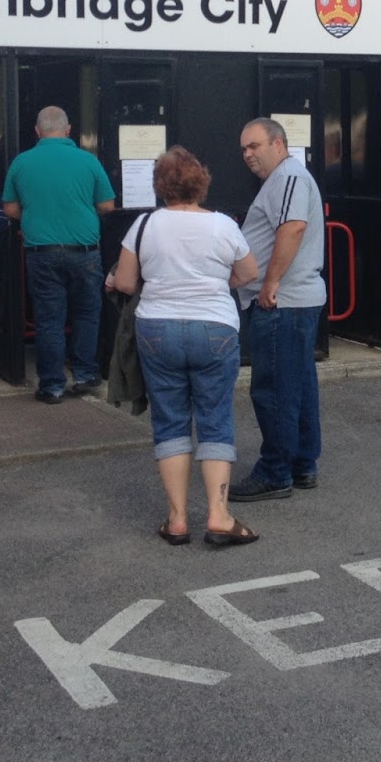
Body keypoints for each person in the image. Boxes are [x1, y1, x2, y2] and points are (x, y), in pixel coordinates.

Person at [112, 148, 261, 547]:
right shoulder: (224, 225)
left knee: (170, 421)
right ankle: (219, 515)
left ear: (160, 186)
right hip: (215, 328)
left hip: (157, 329)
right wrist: (215, 286)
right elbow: (249, 273)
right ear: (201, 184)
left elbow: (125, 282)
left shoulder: (144, 224)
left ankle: (177, 519)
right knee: (216, 418)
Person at [228, 118, 328, 502]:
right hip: (291, 302)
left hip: (281, 303)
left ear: (279, 144)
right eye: (243, 148)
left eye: (254, 146)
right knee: (297, 384)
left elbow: (292, 227)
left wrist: (270, 284)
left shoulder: (288, 177)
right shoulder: (283, 179)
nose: (247, 154)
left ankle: (275, 471)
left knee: (273, 389)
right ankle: (302, 463)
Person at [1, 106, 115, 404]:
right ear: (68, 130)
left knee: (49, 319)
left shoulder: (22, 162)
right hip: (85, 252)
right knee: (87, 313)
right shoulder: (88, 161)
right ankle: (85, 375)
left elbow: (10, 209)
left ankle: (52, 386)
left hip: (42, 252)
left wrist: (33, 218)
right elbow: (107, 205)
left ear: (37, 131)